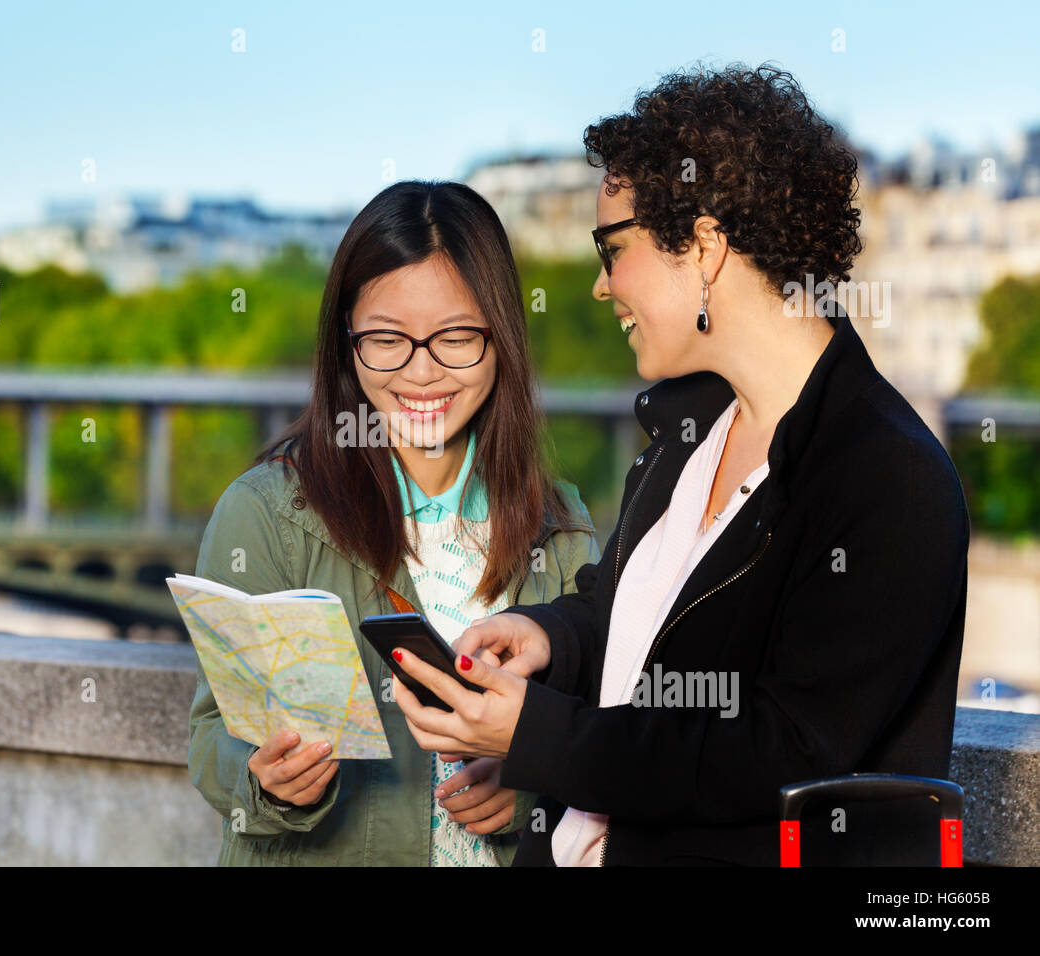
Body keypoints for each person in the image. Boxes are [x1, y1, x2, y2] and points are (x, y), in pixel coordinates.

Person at [391, 64, 971, 866]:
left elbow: (782, 752)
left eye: (613, 249)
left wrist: (540, 736)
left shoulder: (888, 479)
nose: (600, 286)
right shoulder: (691, 429)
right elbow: (634, 620)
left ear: (702, 245)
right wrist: (549, 636)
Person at [186, 179, 601, 866]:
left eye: (456, 338)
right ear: (345, 342)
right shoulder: (266, 513)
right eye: (386, 340)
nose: (421, 372)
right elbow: (212, 736)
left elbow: (592, 734)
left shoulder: (560, 528)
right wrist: (268, 782)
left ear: (502, 339)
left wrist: (527, 781)